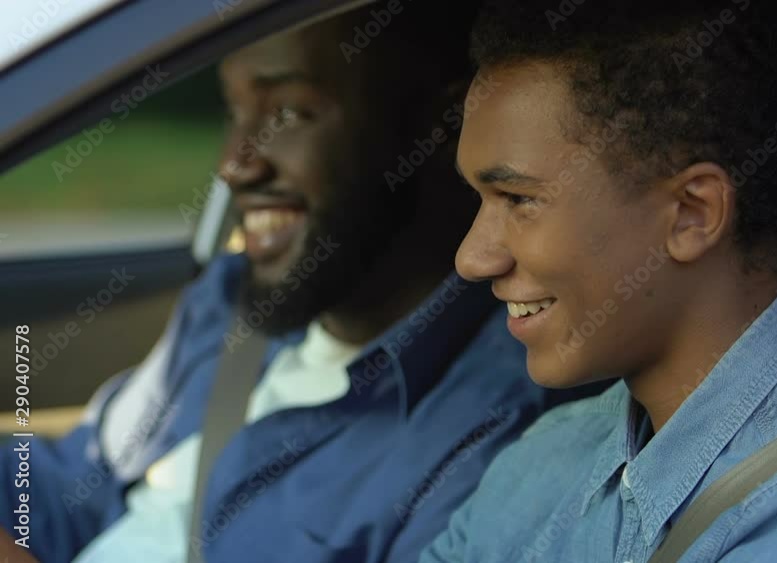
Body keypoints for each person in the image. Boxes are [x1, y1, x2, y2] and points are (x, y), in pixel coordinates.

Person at [0, 4, 570, 563]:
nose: (234, 165)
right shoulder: (230, 299)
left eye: (290, 114)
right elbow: (70, 489)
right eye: (236, 112)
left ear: (445, 126)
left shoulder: (498, 437)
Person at [421, 1, 777, 562]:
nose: (473, 258)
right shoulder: (547, 455)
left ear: (692, 214)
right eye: (480, 199)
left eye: (518, 199)